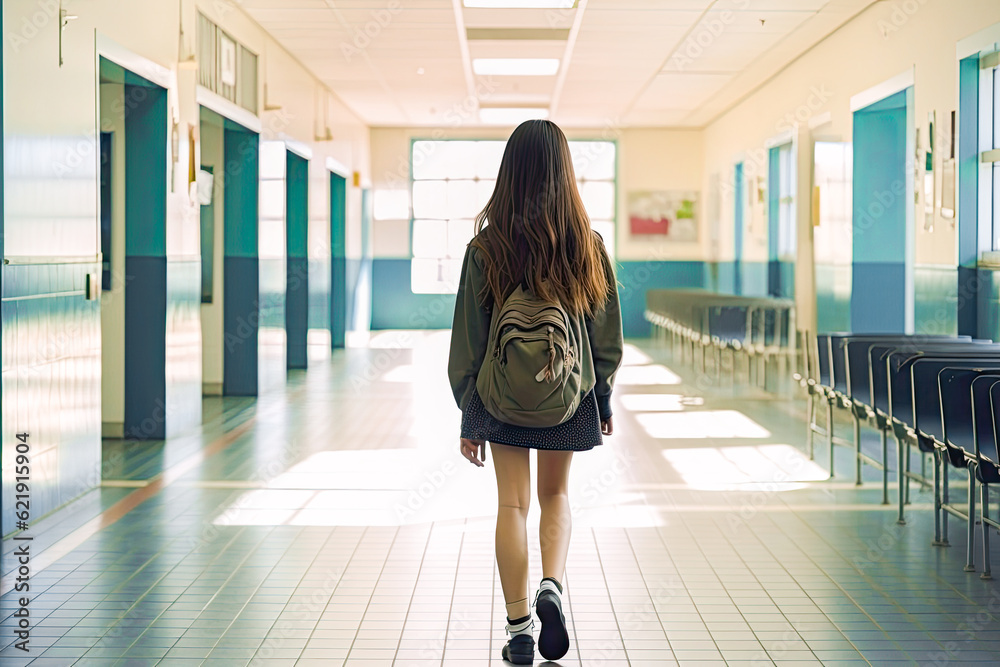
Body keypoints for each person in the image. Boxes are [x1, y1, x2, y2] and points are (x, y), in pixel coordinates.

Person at [447, 119, 624, 665]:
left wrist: (468, 412)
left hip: (500, 398)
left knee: (511, 503)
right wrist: (604, 398)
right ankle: (553, 585)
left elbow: (468, 343)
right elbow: (605, 336)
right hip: (568, 396)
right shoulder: (585, 246)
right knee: (555, 496)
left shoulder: (486, 248)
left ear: (510, 173)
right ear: (564, 172)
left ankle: (519, 627)